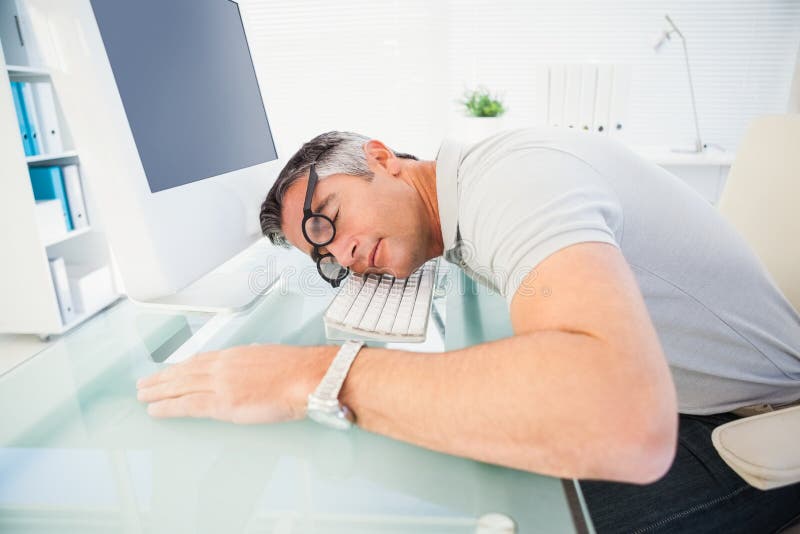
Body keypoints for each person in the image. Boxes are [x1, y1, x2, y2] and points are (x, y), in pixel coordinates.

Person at [137, 129, 800, 532]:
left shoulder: (513, 182)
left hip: (752, 426)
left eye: (327, 219)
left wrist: (312, 374)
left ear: (381, 157)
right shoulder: (470, 198)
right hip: (691, 396)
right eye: (324, 256)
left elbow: (621, 420)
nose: (339, 253)